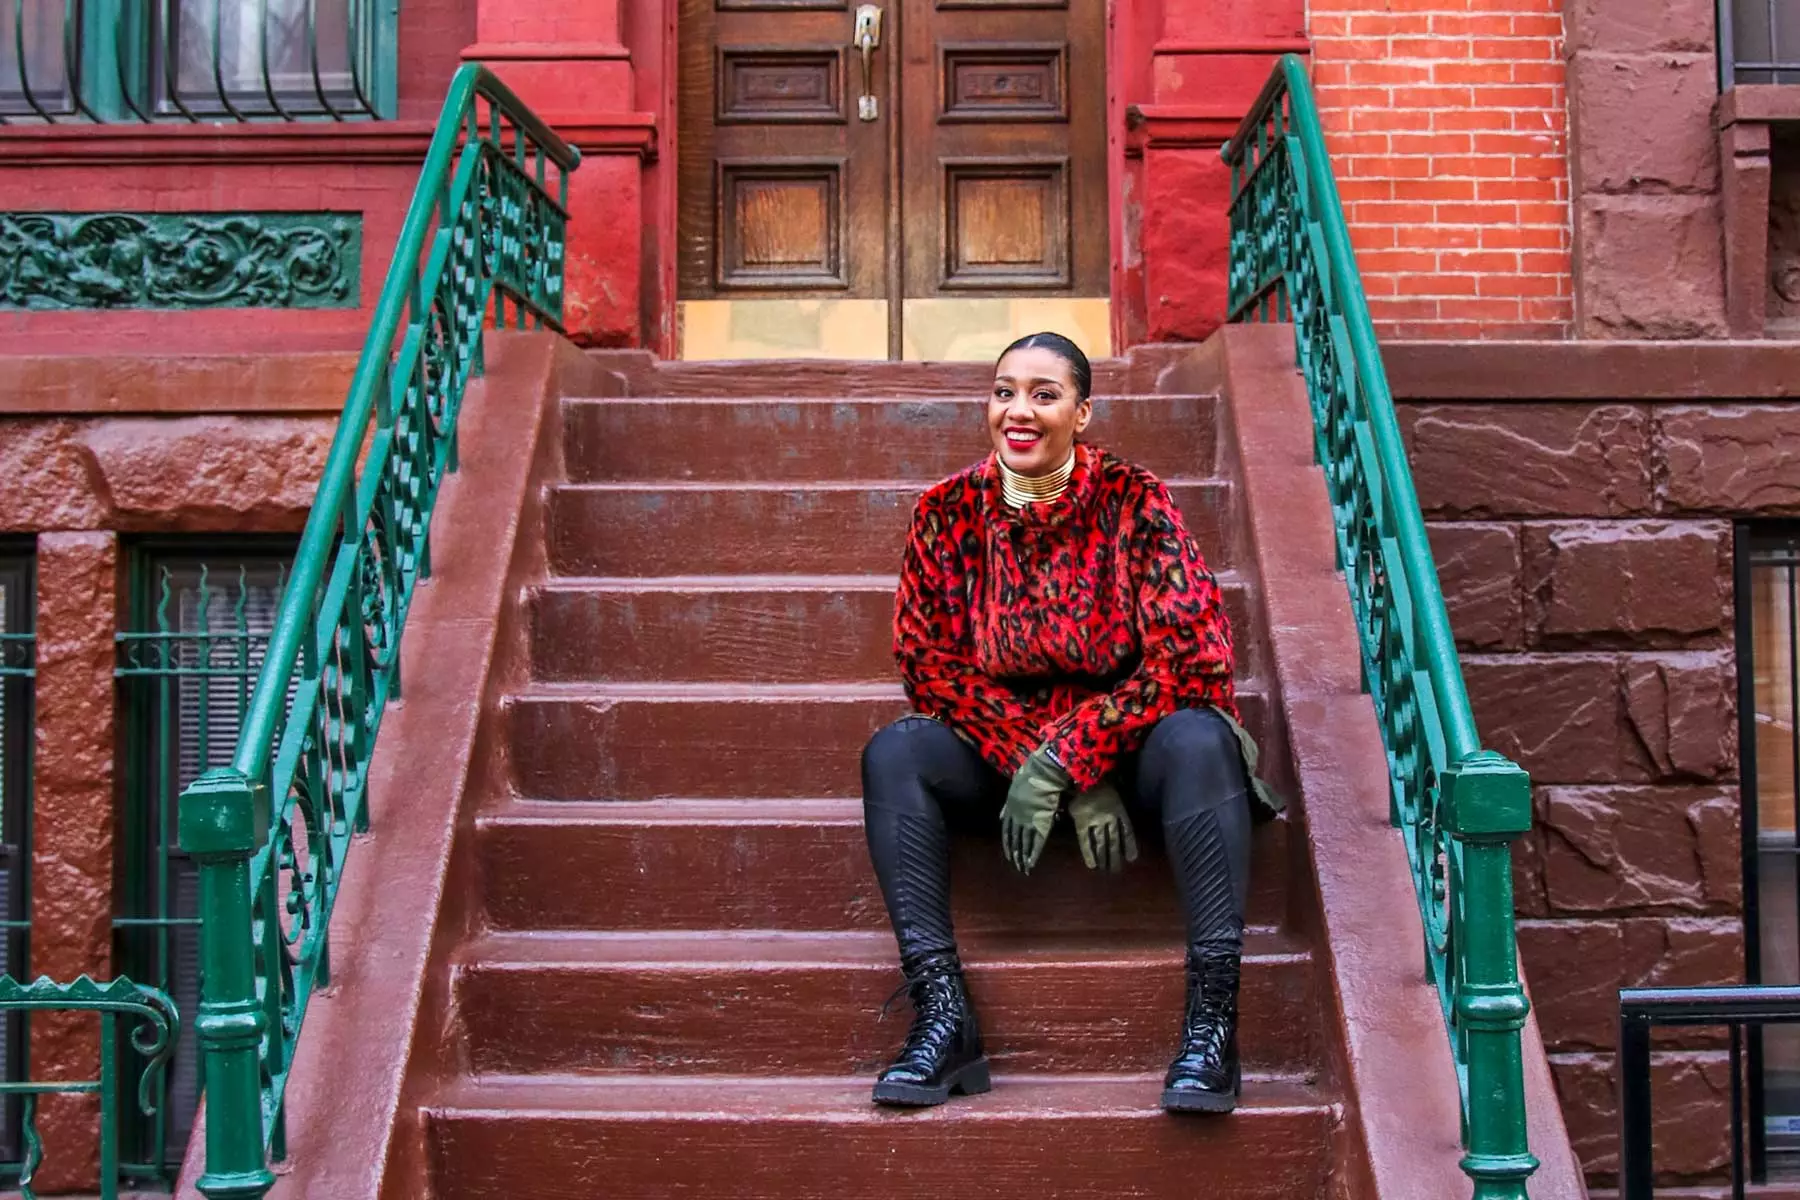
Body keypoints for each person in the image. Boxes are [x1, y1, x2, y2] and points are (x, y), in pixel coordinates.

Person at [860, 331, 1280, 1114]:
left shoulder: (1134, 499)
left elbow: (1194, 657)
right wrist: (1043, 763)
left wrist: (1070, 763)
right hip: (1001, 756)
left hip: (1135, 754)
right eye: (1003, 391)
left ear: (1082, 414)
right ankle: (944, 1020)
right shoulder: (947, 512)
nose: (1018, 411)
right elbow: (928, 665)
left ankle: (1211, 1029)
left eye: (1044, 394)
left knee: (1201, 734)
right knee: (896, 753)